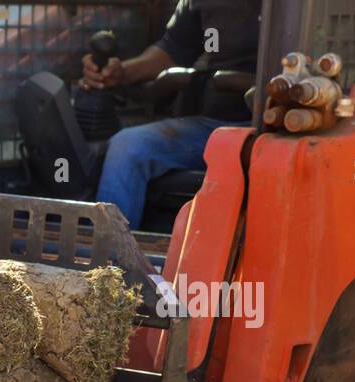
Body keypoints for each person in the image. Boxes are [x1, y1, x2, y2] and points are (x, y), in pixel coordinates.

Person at [83, 0, 261, 228]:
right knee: (127, 146)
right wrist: (121, 72)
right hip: (218, 128)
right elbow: (172, 50)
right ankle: (110, 253)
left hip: (285, 129)